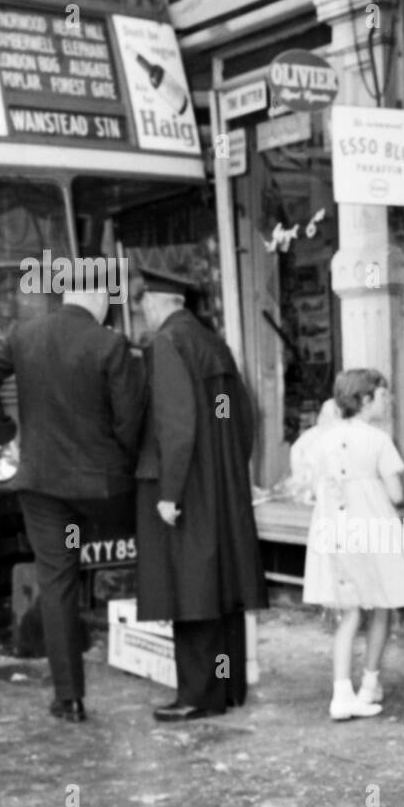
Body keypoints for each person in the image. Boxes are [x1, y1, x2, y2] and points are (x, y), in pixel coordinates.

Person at [0, 282, 144, 723]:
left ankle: (70, 699)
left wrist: (7, 433)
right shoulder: (110, 343)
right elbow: (130, 419)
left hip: (43, 486)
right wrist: (122, 459)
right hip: (104, 488)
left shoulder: (25, 336)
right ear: (99, 302)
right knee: (152, 560)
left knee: (58, 583)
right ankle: (184, 675)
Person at [133, 267, 267, 722]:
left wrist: (169, 492)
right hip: (220, 482)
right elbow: (240, 415)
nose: (141, 312)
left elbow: (176, 423)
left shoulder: (167, 343)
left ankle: (198, 695)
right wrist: (227, 464)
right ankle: (228, 688)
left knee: (189, 591)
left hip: (186, 483)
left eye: (143, 303)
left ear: (161, 301)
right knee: (221, 588)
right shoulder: (213, 342)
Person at [302, 369, 404, 720]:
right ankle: (370, 684)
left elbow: (312, 487)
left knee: (349, 611)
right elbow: (397, 493)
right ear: (364, 400)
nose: (389, 402)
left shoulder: (321, 440)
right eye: (384, 395)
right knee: (382, 604)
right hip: (374, 528)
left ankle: (342, 691)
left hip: (336, 530)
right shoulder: (378, 439)